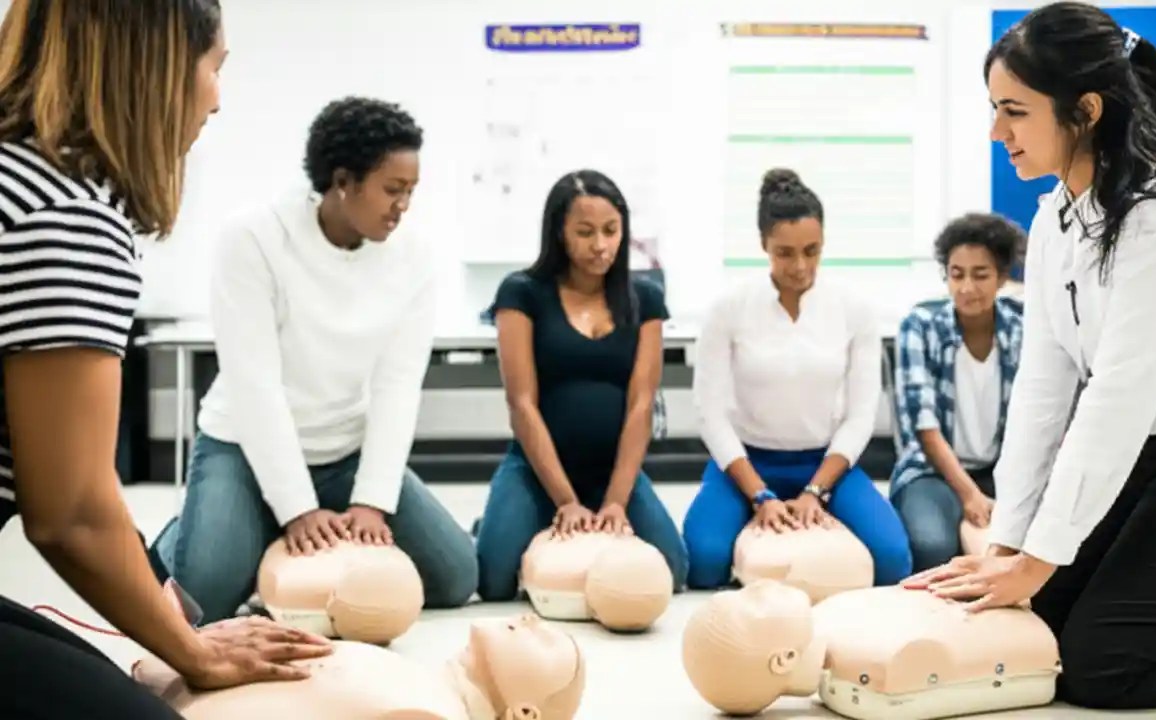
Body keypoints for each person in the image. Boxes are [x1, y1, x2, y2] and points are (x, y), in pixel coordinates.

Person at [904, 1, 1156, 710]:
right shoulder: (1056, 217)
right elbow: (1044, 391)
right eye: (994, 110)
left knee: (1101, 666)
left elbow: (1119, 396)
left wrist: (1038, 559)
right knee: (1039, 619)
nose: (996, 132)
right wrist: (1008, 547)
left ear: (1085, 111)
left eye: (1014, 112)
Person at [0, 1, 332, 717]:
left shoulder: (21, 177)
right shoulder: (64, 215)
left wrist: (169, 620)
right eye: (215, 67)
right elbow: (70, 513)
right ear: (154, 67)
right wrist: (196, 652)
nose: (218, 98)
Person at [149, 96, 478, 622]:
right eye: (392, 189)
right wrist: (297, 509)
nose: (403, 206)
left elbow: (397, 386)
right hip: (242, 448)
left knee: (454, 577)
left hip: (343, 452)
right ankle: (205, 527)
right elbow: (255, 385)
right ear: (343, 180)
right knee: (204, 601)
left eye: (411, 191)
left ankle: (255, 526)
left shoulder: (413, 256)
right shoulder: (254, 237)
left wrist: (371, 502)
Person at [683, 168, 913, 589]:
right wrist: (759, 495)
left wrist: (816, 492)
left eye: (812, 251)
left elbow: (861, 416)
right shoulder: (729, 308)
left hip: (825, 462)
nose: (800, 266)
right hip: (746, 461)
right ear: (763, 245)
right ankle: (753, 534)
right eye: (785, 253)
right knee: (703, 563)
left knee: (892, 560)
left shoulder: (854, 308)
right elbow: (710, 415)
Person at [474, 169, 688, 601]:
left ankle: (576, 513)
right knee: (494, 581)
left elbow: (641, 403)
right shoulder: (521, 293)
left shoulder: (645, 299)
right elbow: (521, 404)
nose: (601, 245)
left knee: (674, 570)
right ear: (559, 232)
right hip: (535, 471)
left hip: (612, 472)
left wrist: (616, 501)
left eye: (611, 230)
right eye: (585, 232)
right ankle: (499, 523)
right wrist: (566, 502)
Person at [890, 213, 1026, 571]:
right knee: (933, 547)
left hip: (1001, 469)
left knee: (1027, 548)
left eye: (980, 275)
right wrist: (970, 495)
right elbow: (924, 427)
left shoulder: (1023, 328)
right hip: (932, 470)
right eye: (956, 274)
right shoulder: (920, 327)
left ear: (1002, 277)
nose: (967, 287)